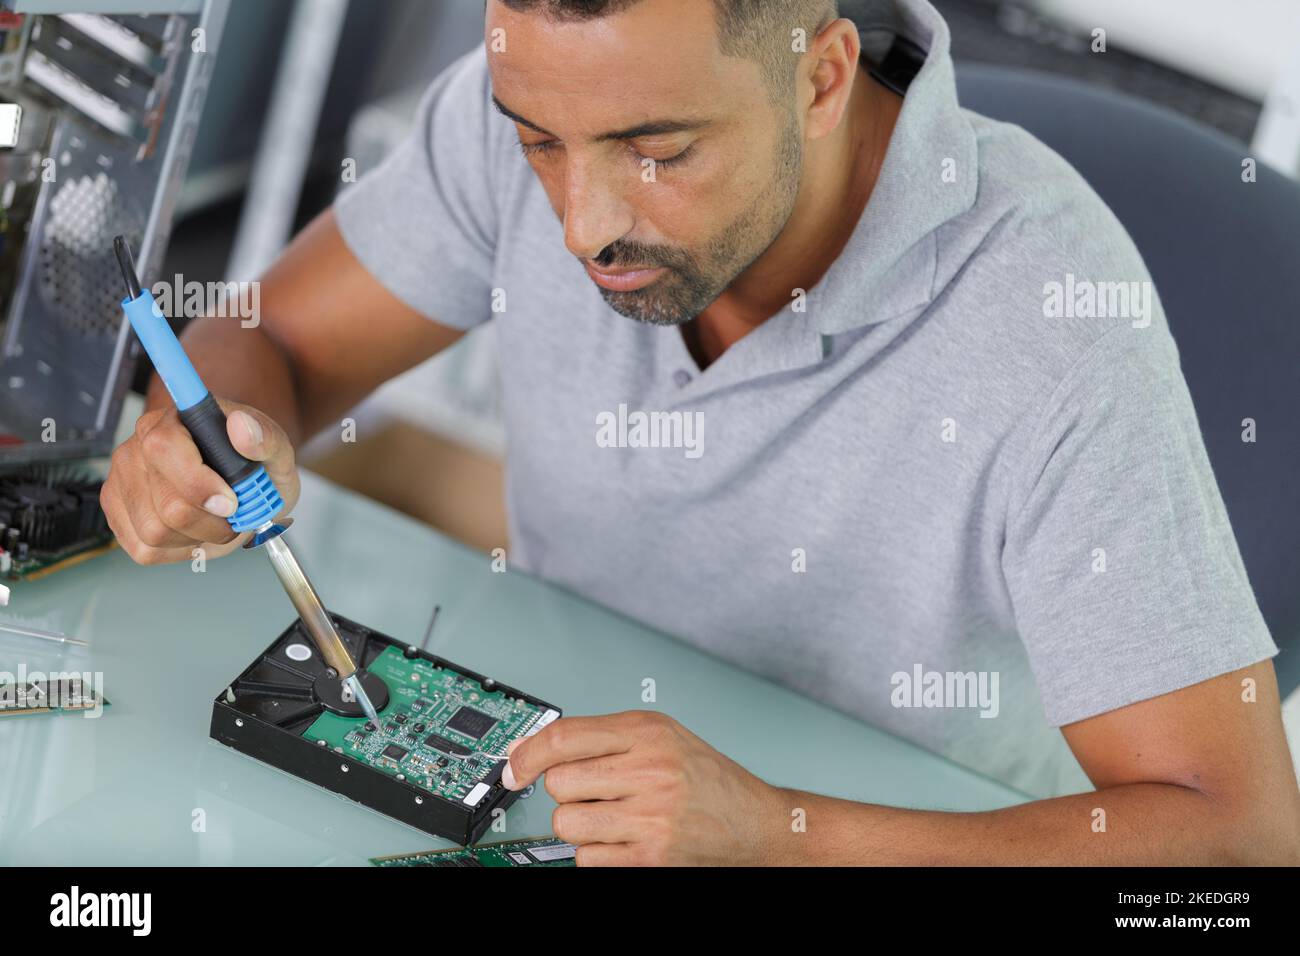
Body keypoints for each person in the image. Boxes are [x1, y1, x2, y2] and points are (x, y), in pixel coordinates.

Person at [100, 0, 1300, 865]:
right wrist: (208, 427)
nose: (579, 225)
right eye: (537, 143)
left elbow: (1236, 839)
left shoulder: (1048, 310)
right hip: (555, 785)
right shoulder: (542, 100)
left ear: (820, 78)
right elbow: (276, 338)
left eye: (658, 152)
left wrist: (781, 832)